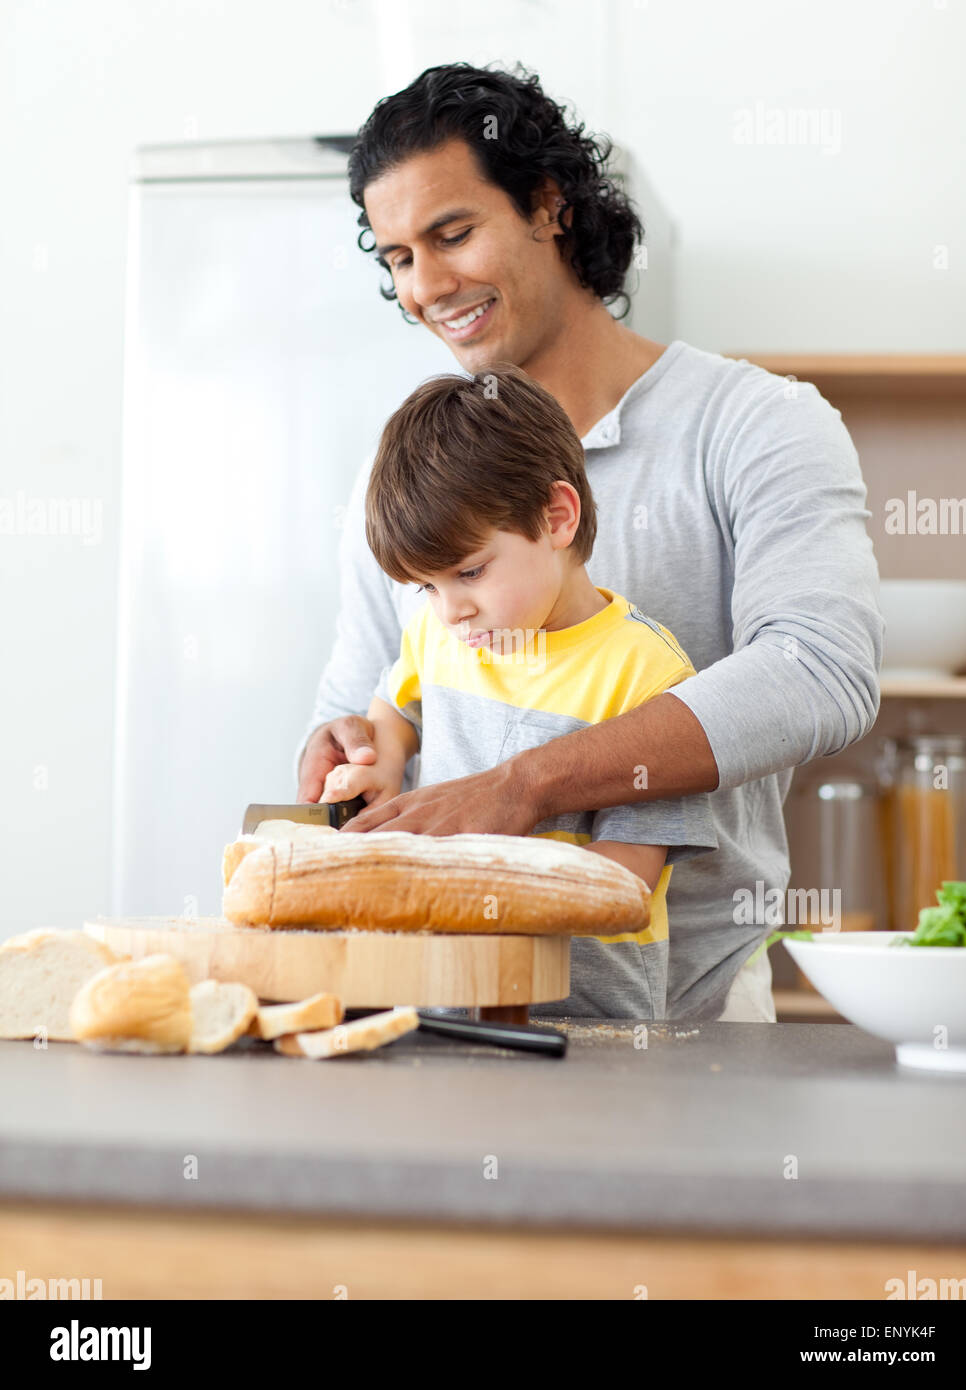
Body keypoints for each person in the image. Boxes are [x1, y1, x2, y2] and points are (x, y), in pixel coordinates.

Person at [295, 63, 883, 1021]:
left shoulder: (756, 423)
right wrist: (346, 746)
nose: (427, 286)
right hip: (454, 996)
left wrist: (521, 786)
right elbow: (366, 693)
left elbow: (820, 671)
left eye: (452, 234)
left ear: (547, 205)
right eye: (399, 256)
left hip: (680, 1006)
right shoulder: (406, 476)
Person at [320, 363, 719, 1019]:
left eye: (469, 572)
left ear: (557, 517)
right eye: (427, 586)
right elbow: (395, 708)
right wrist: (382, 765)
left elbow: (627, 879)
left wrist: (476, 886)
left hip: (588, 1018)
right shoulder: (439, 634)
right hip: (444, 1001)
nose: (450, 611)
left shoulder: (647, 675)